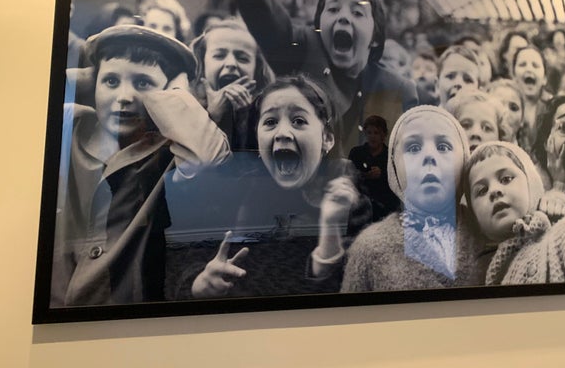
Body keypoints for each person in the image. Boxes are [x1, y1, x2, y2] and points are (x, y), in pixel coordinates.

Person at [203, 0, 418, 153]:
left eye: (358, 12)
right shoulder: (304, 48)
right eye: (333, 8)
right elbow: (266, 16)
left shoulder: (399, 90)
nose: (344, 17)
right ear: (318, 26)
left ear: (376, 36)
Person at [51, 25, 231, 307]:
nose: (125, 96)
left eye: (143, 83)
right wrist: (83, 77)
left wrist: (179, 90)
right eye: (111, 81)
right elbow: (27, 100)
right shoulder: (72, 125)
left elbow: (209, 158)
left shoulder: (170, 151)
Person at [190, 75, 371, 298]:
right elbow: (189, 267)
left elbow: (350, 292)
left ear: (327, 139)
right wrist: (200, 285)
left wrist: (330, 229)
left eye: (298, 121)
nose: (282, 133)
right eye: (270, 122)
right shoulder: (235, 193)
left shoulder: (350, 201)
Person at [341, 106, 484, 292]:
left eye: (443, 146)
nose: (429, 156)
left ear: (465, 159)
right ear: (394, 167)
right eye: (414, 147)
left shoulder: (487, 233)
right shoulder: (369, 248)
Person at [464, 141, 565, 285]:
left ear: (532, 185)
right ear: (473, 217)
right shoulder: (473, 275)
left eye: (506, 179)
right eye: (482, 190)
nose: (494, 190)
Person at [190, 19, 274, 151]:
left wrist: (245, 121)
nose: (231, 63)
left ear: (256, 69)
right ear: (202, 62)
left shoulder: (268, 112)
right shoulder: (186, 107)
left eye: (242, 58)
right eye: (219, 55)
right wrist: (212, 117)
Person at [348, 115, 400, 222]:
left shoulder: (392, 156)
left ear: (383, 135)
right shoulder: (356, 153)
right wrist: (364, 175)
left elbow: (400, 182)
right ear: (365, 133)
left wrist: (382, 174)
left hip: (386, 209)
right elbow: (348, 178)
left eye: (376, 133)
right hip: (361, 209)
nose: (372, 136)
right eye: (369, 132)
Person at [511, 45, 548, 154]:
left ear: (544, 78)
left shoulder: (553, 108)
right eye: (522, 64)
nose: (529, 68)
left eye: (535, 65)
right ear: (513, 75)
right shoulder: (504, 106)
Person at [487, 79, 524, 144]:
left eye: (513, 108)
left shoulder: (527, 154)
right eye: (498, 105)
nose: (505, 112)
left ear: (522, 119)